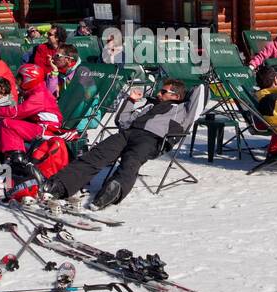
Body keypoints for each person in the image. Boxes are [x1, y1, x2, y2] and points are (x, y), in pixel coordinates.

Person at [42, 78, 200, 209]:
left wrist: (201, 79)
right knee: (97, 154)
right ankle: (60, 185)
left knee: (130, 161)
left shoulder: (183, 110)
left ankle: (112, 192)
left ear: (177, 96)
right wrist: (130, 101)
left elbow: (199, 93)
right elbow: (122, 121)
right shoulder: (150, 105)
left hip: (153, 139)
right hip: (128, 133)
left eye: (164, 92)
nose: (158, 93)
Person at [0, 62, 62, 162]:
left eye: (20, 78)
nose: (17, 80)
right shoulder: (35, 90)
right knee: (5, 122)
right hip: (40, 125)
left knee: (7, 123)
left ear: (29, 79)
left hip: (47, 129)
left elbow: (17, 112)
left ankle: (17, 158)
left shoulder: (39, 95)